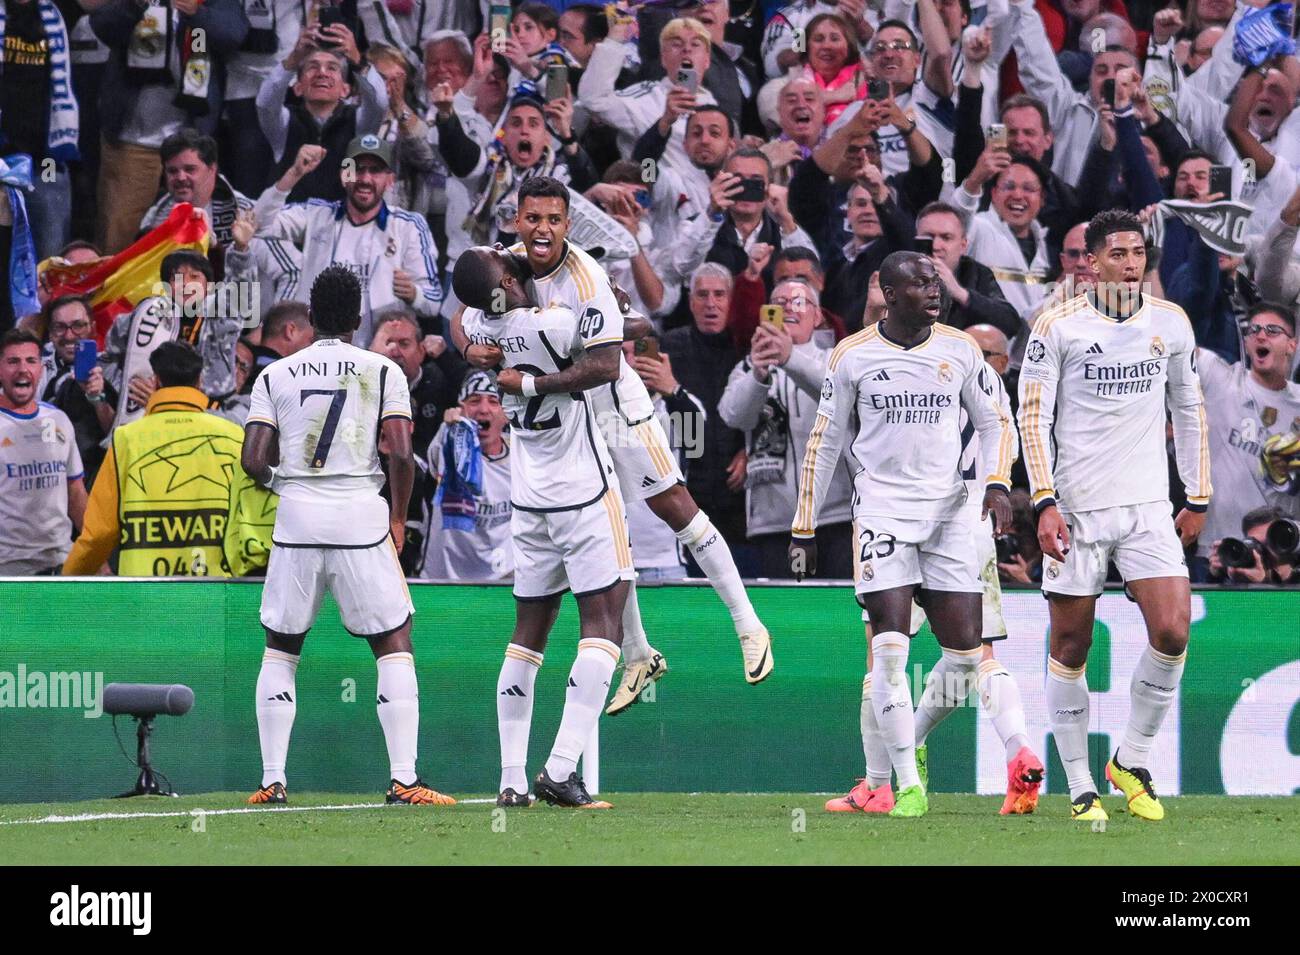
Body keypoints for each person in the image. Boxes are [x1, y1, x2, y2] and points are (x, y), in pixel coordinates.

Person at [458, 177, 772, 691]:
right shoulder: (504, 267)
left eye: (553, 220)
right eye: (533, 218)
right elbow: (461, 320)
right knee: (607, 533)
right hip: (567, 425)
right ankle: (640, 653)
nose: (542, 229)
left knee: (672, 505)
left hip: (614, 408)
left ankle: (749, 625)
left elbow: (612, 359)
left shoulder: (585, 278)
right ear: (518, 221)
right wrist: (472, 351)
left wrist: (533, 377)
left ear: (567, 224)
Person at [789, 250, 1016, 818]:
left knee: (965, 657)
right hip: (883, 516)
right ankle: (907, 786)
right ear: (889, 294)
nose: (933, 291)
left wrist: (996, 483)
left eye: (935, 281)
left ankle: (903, 745)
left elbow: (996, 421)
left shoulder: (961, 350)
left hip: (950, 517)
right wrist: (806, 524)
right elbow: (825, 440)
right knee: (889, 657)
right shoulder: (853, 356)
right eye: (919, 284)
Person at [1018, 209, 1212, 823]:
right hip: (1077, 508)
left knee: (1174, 630)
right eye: (1118, 254)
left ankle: (1131, 757)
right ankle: (1080, 786)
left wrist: (1198, 494)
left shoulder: (1170, 324)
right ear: (1090, 262)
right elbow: (1032, 419)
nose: (1131, 264)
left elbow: (1189, 405)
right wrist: (1043, 500)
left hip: (1149, 506)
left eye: (1138, 253)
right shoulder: (1058, 328)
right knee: (1070, 644)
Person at [240, 264, 453, 807]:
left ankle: (272, 780)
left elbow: (252, 459)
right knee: (393, 643)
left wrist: (289, 483)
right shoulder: (383, 371)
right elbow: (402, 452)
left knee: (282, 649)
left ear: (311, 318)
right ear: (358, 320)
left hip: (297, 522)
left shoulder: (274, 376)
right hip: (361, 519)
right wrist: (398, 517)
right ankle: (403, 778)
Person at [825, 334, 1045, 816]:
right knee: (977, 654)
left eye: (985, 352)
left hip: (912, 520)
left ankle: (880, 781)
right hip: (970, 523)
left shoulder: (941, 374)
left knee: (884, 656)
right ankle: (1016, 744)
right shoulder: (988, 390)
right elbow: (1000, 442)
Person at [455, 246, 632, 810]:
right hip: (582, 492)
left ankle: (510, 780)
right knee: (604, 624)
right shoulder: (556, 322)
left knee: (528, 633)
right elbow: (613, 346)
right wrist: (616, 305)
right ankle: (559, 770)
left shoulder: (480, 324)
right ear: (507, 279)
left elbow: (466, 314)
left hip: (527, 500)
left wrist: (470, 348)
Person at [62, 341, 246, 577]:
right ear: (199, 382)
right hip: (216, 593)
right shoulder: (233, 436)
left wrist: (67, 579)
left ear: (156, 381)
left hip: (145, 597)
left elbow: (100, 533)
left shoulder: (127, 439)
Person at [718, 278, 854, 578]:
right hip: (775, 523)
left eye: (798, 301)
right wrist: (758, 373)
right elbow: (734, 418)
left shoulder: (837, 360)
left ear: (817, 316)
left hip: (836, 516)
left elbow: (839, 396)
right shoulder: (748, 366)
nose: (788, 308)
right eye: (778, 303)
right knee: (790, 611)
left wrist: (790, 358)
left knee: (839, 611)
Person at [254, 137, 443, 348]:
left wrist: (413, 294)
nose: (365, 178)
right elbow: (258, 224)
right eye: (357, 169)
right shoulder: (317, 214)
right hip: (317, 354)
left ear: (389, 180)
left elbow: (433, 302)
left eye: (375, 170)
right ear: (344, 175)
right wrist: (294, 173)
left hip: (377, 357)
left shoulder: (409, 227)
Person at [1193, 304, 1300, 582]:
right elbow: (1171, 341)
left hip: (1280, 561)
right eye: (1254, 330)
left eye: (1272, 330)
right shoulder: (1222, 380)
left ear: (1292, 345)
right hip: (1217, 553)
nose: (1261, 336)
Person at [99, 250, 243, 431]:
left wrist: (241, 250)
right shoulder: (144, 319)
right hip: (148, 418)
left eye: (195, 277)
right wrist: (129, 389)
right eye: (178, 278)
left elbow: (240, 294)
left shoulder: (220, 322)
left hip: (209, 418)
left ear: (208, 286)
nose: (187, 285)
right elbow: (107, 358)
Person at [256, 26, 387, 204]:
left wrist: (358, 60)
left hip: (340, 222)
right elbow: (265, 103)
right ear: (298, 87)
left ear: (345, 89)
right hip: (290, 221)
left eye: (332, 68)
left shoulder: (358, 122)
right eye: (313, 67)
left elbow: (379, 102)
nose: (322, 73)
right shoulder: (284, 123)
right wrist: (294, 59)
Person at [0, 329, 86, 575]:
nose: (22, 369)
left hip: (61, 563)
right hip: (9, 572)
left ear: (41, 368)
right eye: (13, 361)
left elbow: (76, 493)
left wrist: (97, 556)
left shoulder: (58, 419)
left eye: (31, 361)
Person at [418, 371, 513, 582]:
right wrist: (450, 426)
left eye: (493, 401)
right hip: (443, 582)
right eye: (474, 401)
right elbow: (441, 450)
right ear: (461, 409)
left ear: (506, 412)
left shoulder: (520, 455)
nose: (483, 409)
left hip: (503, 578)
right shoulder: (449, 444)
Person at [39, 295, 116, 485]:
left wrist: (97, 399)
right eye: (60, 327)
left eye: (78, 325)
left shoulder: (113, 369)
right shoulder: (33, 365)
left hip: (93, 474)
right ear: (50, 333)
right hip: (42, 468)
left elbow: (118, 435)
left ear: (93, 329)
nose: (69, 335)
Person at [139, 130, 254, 249]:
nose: (181, 178)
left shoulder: (245, 213)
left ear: (212, 169)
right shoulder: (154, 216)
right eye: (173, 171)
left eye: (190, 169)